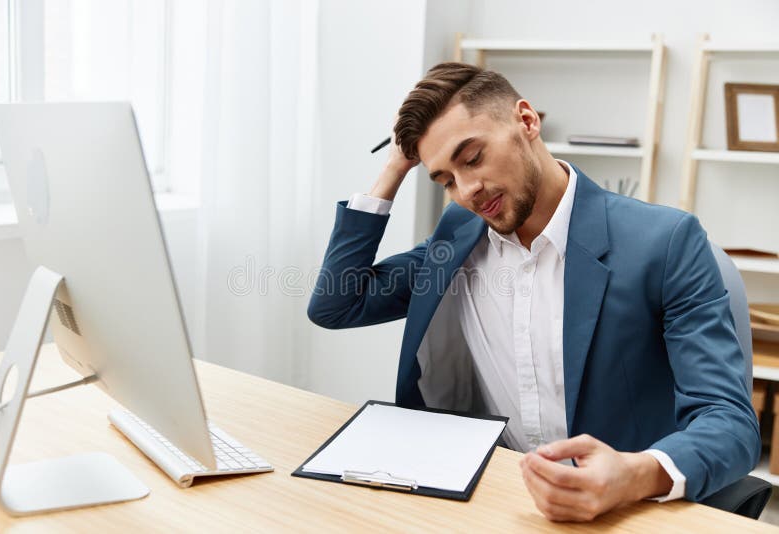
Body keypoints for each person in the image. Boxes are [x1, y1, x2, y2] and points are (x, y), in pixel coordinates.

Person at [307, 62, 759, 521]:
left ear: (526, 120)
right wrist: (394, 168)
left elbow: (731, 424)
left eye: (473, 158)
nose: (468, 191)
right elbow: (338, 304)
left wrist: (633, 474)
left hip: (626, 511)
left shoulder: (664, 242)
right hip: (500, 498)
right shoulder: (460, 236)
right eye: (446, 180)